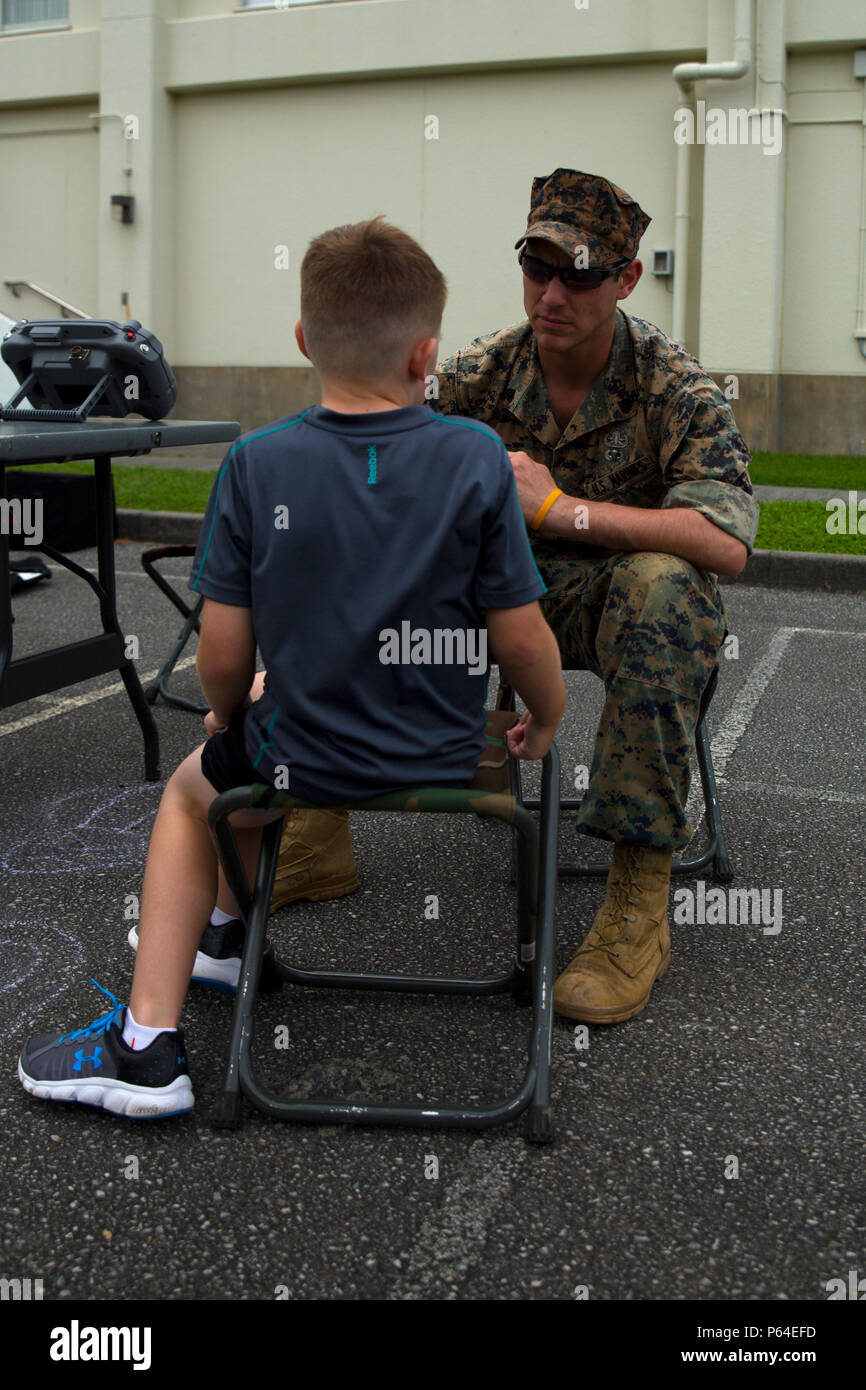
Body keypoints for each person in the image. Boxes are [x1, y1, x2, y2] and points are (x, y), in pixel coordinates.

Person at [17, 216, 566, 1119]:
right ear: (427, 353)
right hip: (443, 754)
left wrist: (228, 713)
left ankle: (146, 1044)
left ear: (305, 339)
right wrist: (540, 722)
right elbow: (521, 637)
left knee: (197, 790)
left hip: (297, 758)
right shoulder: (474, 459)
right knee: (247, 746)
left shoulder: (256, 464)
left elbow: (223, 653)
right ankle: (227, 938)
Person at [431, 168, 759, 1026]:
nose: (553, 293)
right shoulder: (477, 373)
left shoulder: (674, 385)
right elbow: (368, 450)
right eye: (538, 267)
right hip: (498, 602)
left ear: (624, 280)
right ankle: (312, 829)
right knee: (376, 561)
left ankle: (636, 907)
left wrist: (560, 509)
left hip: (610, 605)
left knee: (668, 587)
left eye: (579, 274)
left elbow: (725, 541)